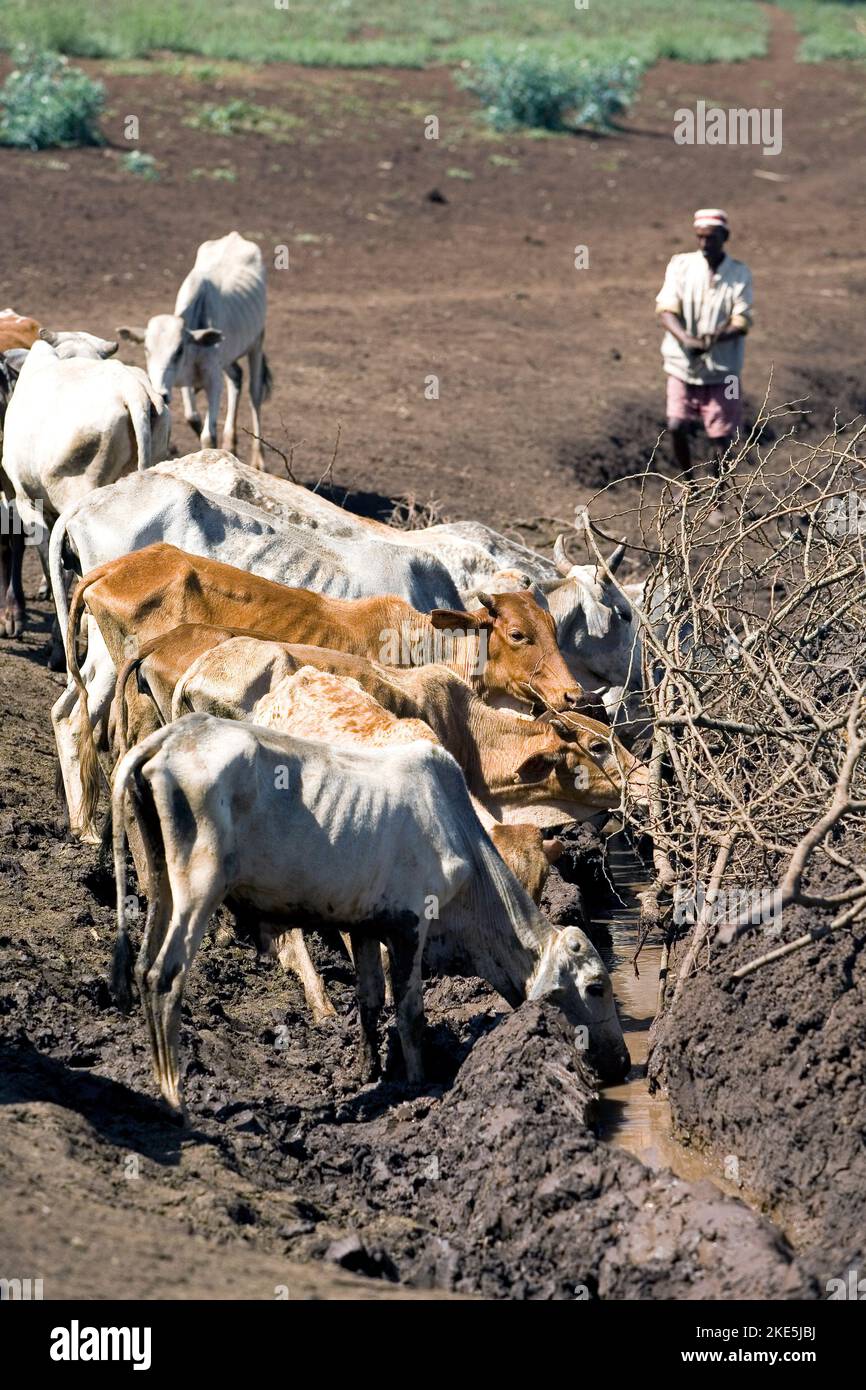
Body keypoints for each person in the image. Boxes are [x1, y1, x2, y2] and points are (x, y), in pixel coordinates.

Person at [655, 209, 753, 472]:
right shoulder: (681, 265)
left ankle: (719, 501)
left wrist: (716, 338)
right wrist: (687, 339)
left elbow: (742, 320)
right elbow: (665, 310)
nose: (704, 244)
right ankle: (688, 485)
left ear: (725, 236)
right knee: (676, 426)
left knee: (721, 438)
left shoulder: (739, 273)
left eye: (710, 238)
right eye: (699, 237)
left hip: (724, 372)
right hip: (682, 366)